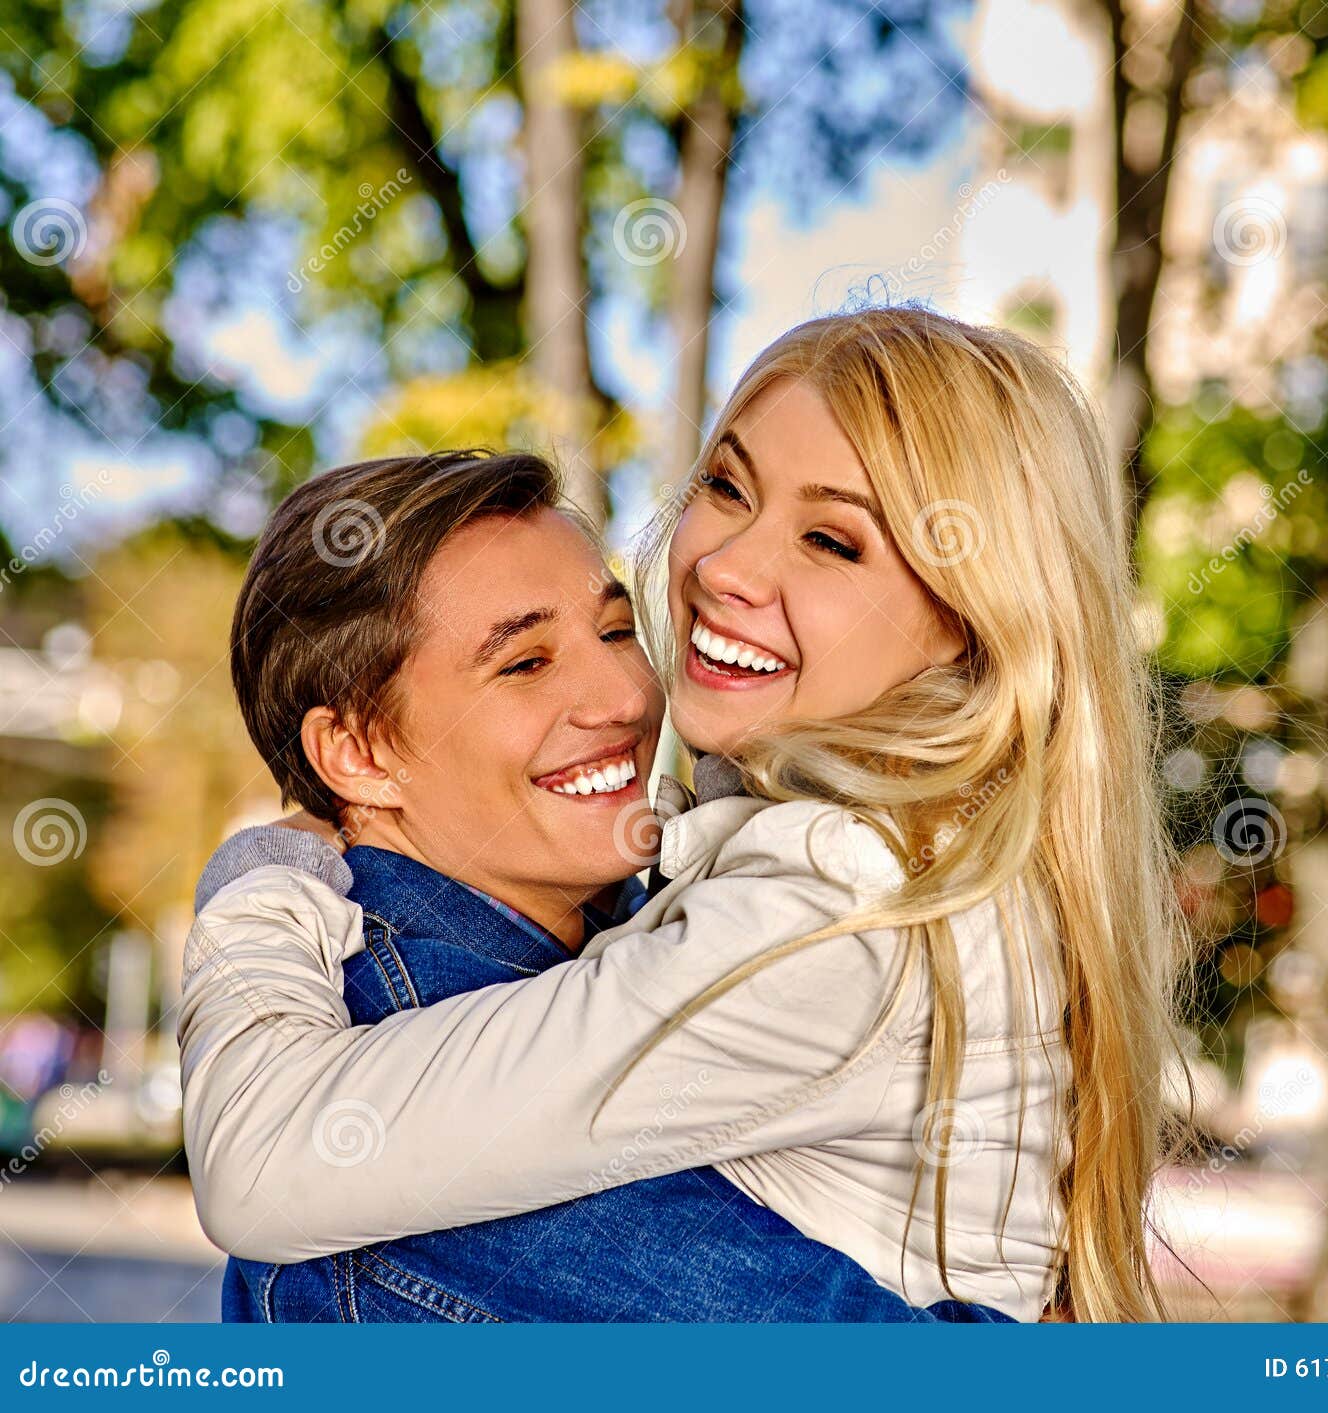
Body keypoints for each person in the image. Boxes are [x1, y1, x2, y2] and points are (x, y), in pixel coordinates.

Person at [180, 305, 1191, 1322]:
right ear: (355, 752)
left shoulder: (842, 916)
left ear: (971, 618)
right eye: (726, 486)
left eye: (833, 542)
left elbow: (263, 1163)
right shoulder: (882, 862)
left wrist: (263, 876)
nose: (725, 566)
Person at [199, 449, 1001, 1322]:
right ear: (360, 754)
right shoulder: (396, 1069)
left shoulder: (632, 943)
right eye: (524, 664)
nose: (622, 694)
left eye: (617, 633)